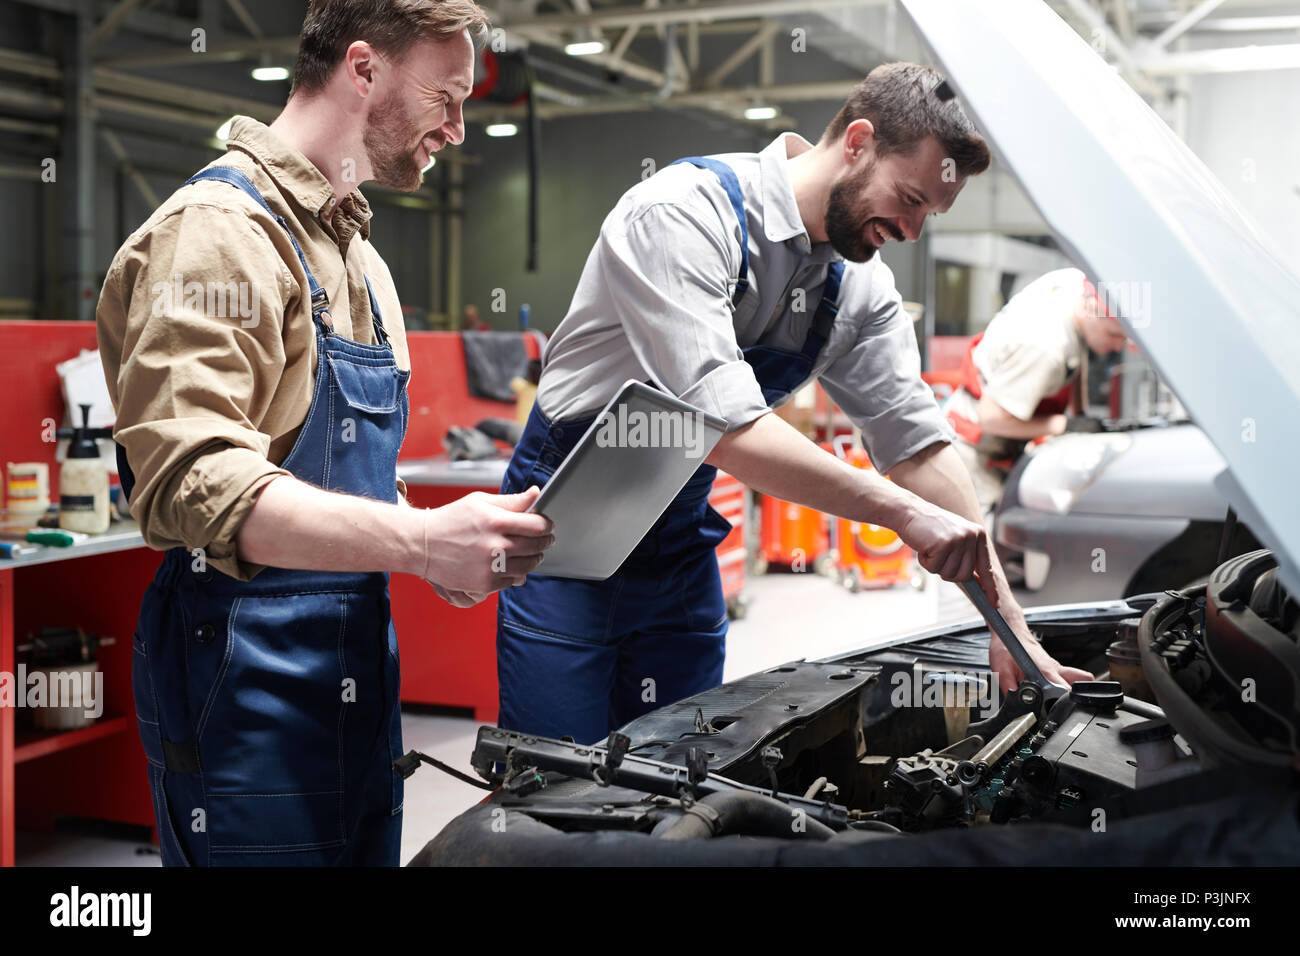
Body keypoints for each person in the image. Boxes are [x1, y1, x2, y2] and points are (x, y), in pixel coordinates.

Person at [488, 63, 1092, 746]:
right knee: (553, 782)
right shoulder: (683, 214)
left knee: (680, 780)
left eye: (932, 213)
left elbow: (918, 446)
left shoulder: (859, 292)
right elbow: (724, 428)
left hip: (678, 554)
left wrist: (1008, 626)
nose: (915, 229)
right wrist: (899, 511)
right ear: (859, 141)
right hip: (563, 544)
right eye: (910, 197)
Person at [95, 0, 552, 866]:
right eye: (446, 97)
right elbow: (198, 480)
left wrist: (448, 551)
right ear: (364, 68)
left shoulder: (361, 259)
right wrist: (418, 541)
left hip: (354, 674)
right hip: (239, 676)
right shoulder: (220, 235)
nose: (457, 129)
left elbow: (347, 478)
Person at [943, 268, 1128, 515]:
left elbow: (1078, 357)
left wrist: (1081, 416)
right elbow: (991, 418)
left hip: (1002, 438)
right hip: (974, 450)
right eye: (1113, 335)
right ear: (1088, 308)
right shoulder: (1045, 346)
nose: (1119, 345)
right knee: (981, 543)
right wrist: (1064, 426)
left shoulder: (1074, 283)